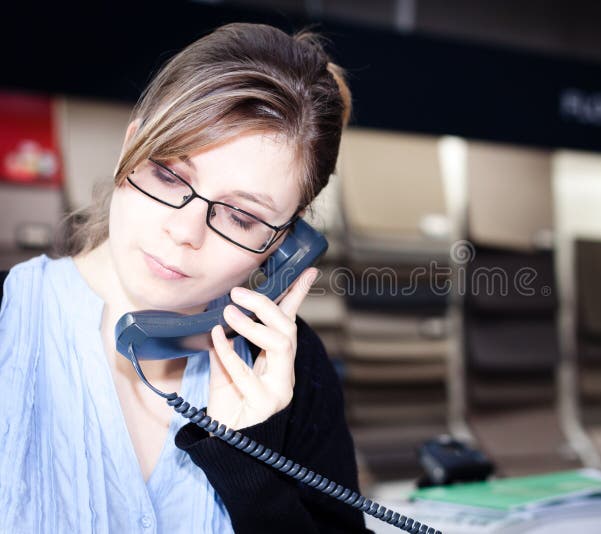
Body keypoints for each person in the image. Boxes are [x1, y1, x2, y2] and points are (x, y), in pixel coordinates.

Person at [0, 22, 371, 533]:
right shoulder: (8, 317)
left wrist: (249, 465)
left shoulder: (290, 368)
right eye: (169, 176)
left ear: (285, 242)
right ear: (131, 147)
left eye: (241, 217)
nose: (184, 230)